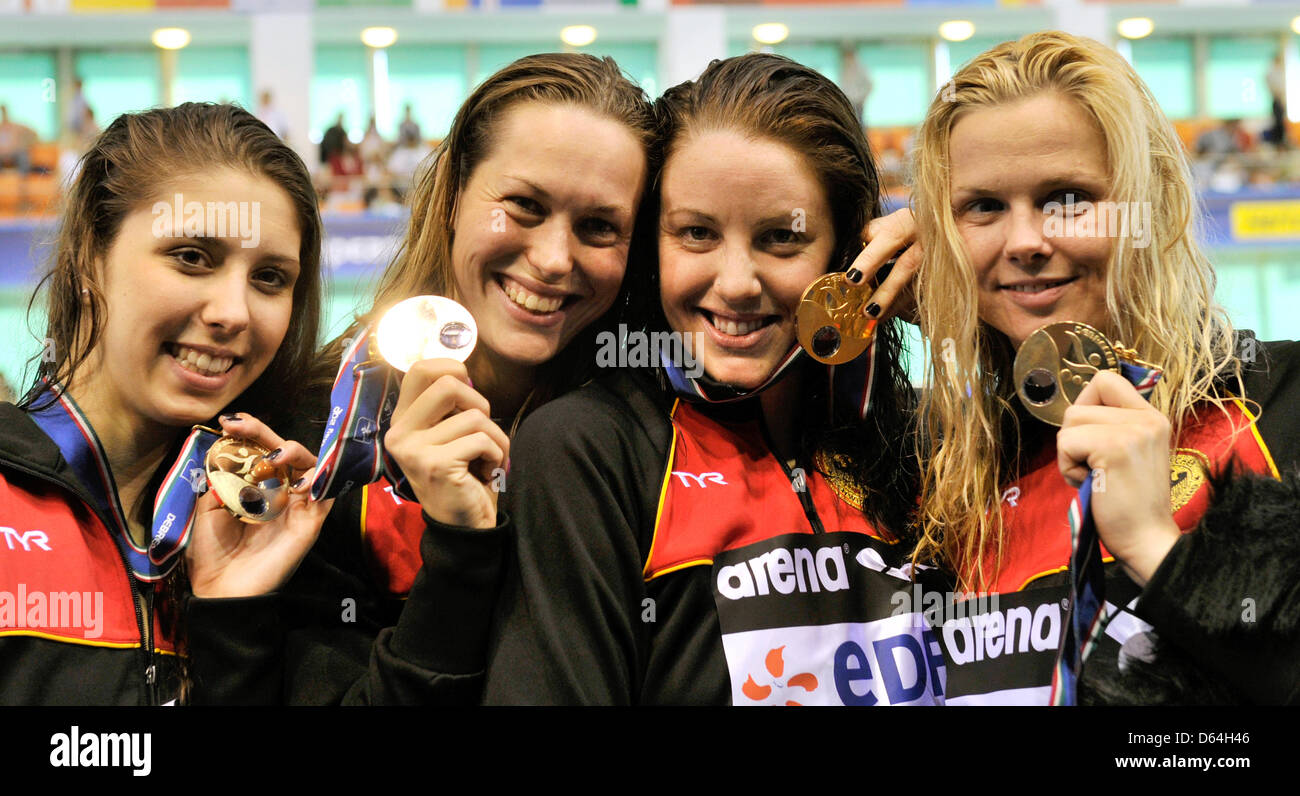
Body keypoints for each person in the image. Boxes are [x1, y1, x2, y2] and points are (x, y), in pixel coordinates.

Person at [183, 53, 656, 705]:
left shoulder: (651, 436)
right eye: (522, 206)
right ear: (456, 196)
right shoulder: (322, 436)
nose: (553, 259)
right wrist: (461, 552)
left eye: (600, 226)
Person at [476, 53, 924, 704]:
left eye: (781, 238)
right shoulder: (589, 450)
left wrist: (965, 314)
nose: (737, 282)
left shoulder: (927, 440)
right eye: (696, 233)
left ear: (848, 252)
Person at [909, 31, 1300, 704]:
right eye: (984, 207)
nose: (1027, 240)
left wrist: (1156, 546)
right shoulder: (947, 463)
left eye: (1067, 198)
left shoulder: (1280, 401)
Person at [0, 103, 324, 705]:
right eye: (192, 257)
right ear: (88, 258)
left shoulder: (266, 534)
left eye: (271, 278)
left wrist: (234, 623)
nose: (233, 312)